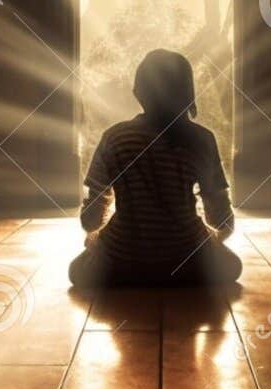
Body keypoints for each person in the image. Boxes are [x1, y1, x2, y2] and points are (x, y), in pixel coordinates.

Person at [68, 49, 242, 288]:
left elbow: (91, 221)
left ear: (138, 92)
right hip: (187, 257)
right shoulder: (201, 140)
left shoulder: (114, 138)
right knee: (233, 265)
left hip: (123, 258)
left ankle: (133, 277)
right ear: (188, 93)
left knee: (76, 271)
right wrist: (214, 240)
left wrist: (94, 239)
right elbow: (222, 219)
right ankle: (177, 277)